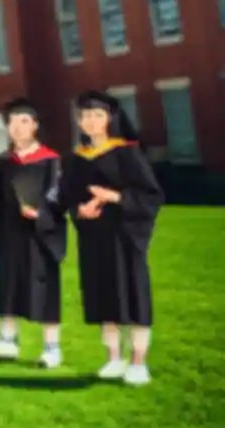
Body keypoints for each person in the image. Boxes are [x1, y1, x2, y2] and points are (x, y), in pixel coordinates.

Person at [64, 90, 162, 386]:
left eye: (97, 115)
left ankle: (138, 363)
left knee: (133, 298)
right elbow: (69, 196)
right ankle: (113, 358)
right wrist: (80, 210)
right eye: (85, 116)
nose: (91, 121)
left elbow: (151, 195)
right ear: (79, 122)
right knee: (105, 299)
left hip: (125, 237)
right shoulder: (76, 159)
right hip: (95, 239)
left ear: (110, 119)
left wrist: (115, 196)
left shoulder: (127, 153)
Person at [0, 99, 68, 368]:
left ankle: (51, 347)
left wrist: (42, 212)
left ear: (35, 126)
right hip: (10, 233)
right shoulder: (3, 163)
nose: (18, 127)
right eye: (12, 122)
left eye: (24, 121)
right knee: (8, 284)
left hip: (39, 235)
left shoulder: (50, 160)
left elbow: (59, 195)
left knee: (44, 288)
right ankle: (8, 339)